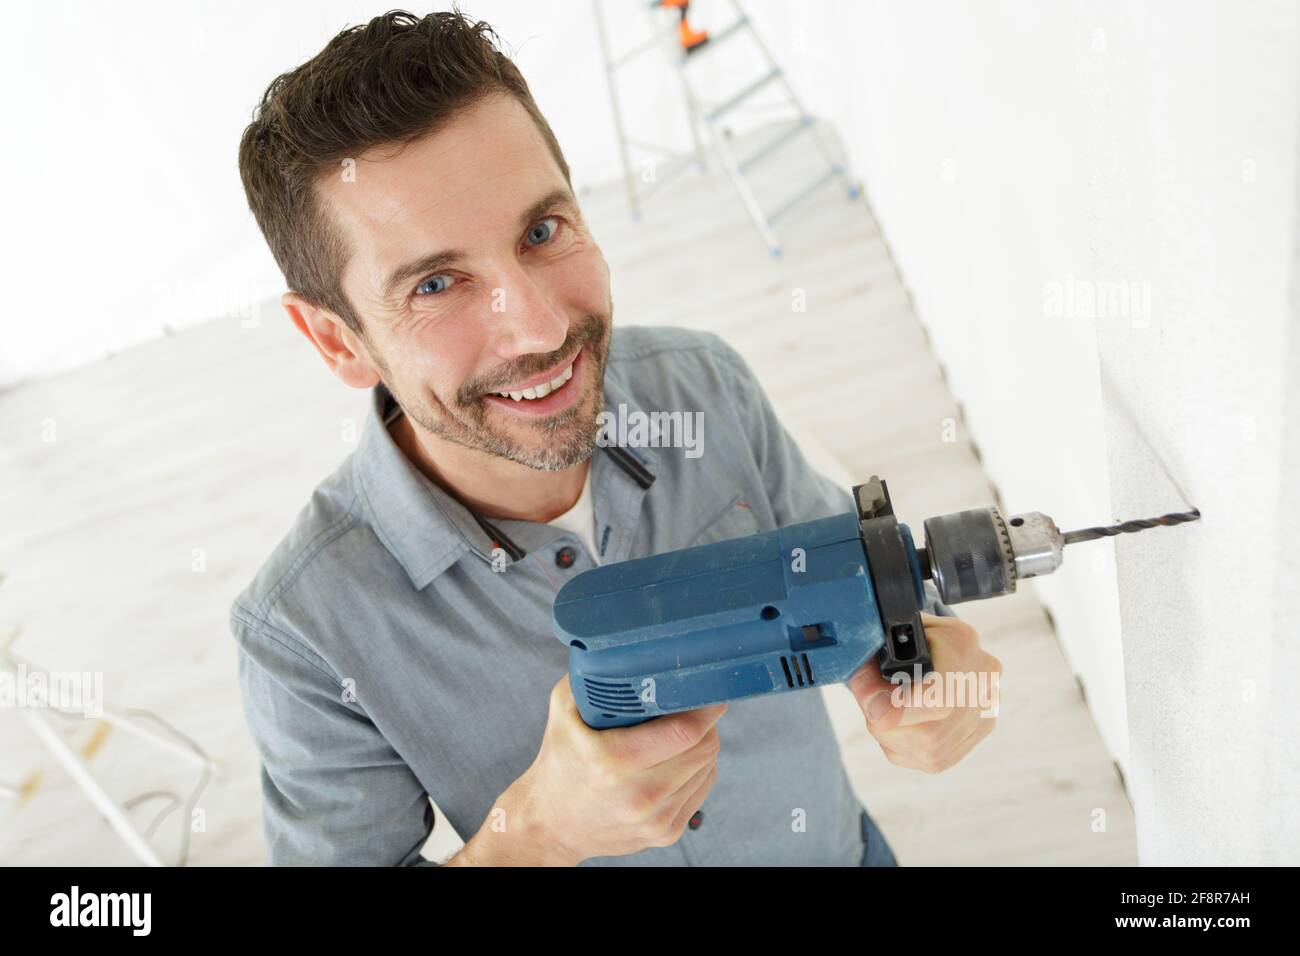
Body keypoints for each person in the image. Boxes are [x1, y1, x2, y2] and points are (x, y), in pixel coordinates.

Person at [231, 9, 1002, 866]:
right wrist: (533, 839)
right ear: (337, 340)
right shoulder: (301, 630)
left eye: (540, 232)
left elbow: (870, 596)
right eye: (438, 283)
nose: (535, 327)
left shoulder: (704, 387)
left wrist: (934, 669)